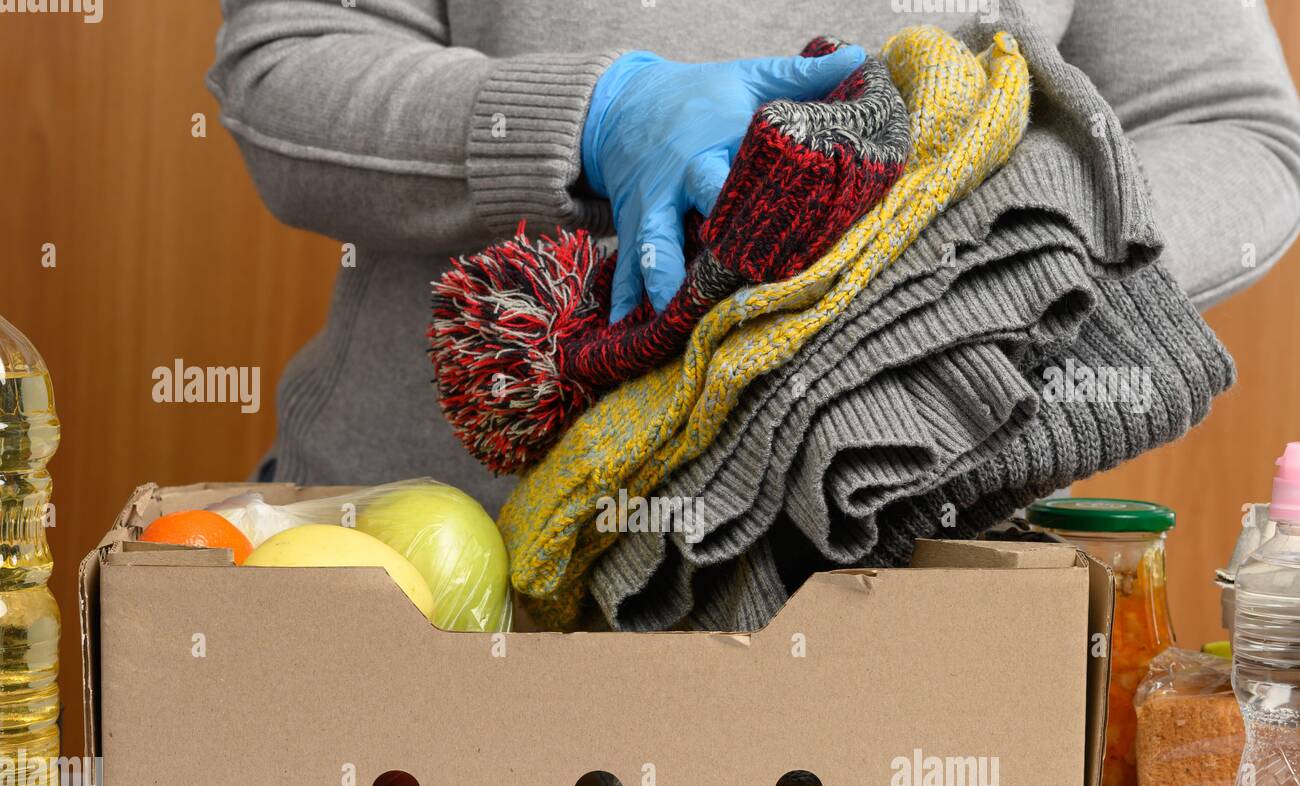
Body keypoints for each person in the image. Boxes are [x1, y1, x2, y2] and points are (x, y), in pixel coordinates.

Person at [207, 0, 1300, 513]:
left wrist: (979, 245)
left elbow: (1234, 130)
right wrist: (595, 114)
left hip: (913, 578)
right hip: (416, 568)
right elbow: (289, 63)